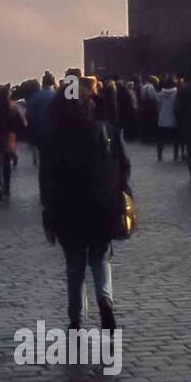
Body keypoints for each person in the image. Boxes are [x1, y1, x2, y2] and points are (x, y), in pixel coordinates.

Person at [38, 76, 128, 331]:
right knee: (100, 260)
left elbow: (48, 179)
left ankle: (76, 318)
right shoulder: (105, 128)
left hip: (68, 207)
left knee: (74, 265)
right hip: (102, 203)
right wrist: (120, 195)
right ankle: (105, 301)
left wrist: (49, 212)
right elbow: (122, 166)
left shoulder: (54, 136)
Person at [25, 72, 57, 165]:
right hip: (53, 130)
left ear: (42, 83)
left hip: (38, 131)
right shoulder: (57, 96)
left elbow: (29, 115)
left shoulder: (35, 97)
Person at [155, 77, 179, 162]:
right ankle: (175, 156)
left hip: (162, 119)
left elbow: (158, 107)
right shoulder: (177, 93)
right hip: (173, 119)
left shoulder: (160, 93)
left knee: (161, 140)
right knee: (176, 141)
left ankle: (159, 156)